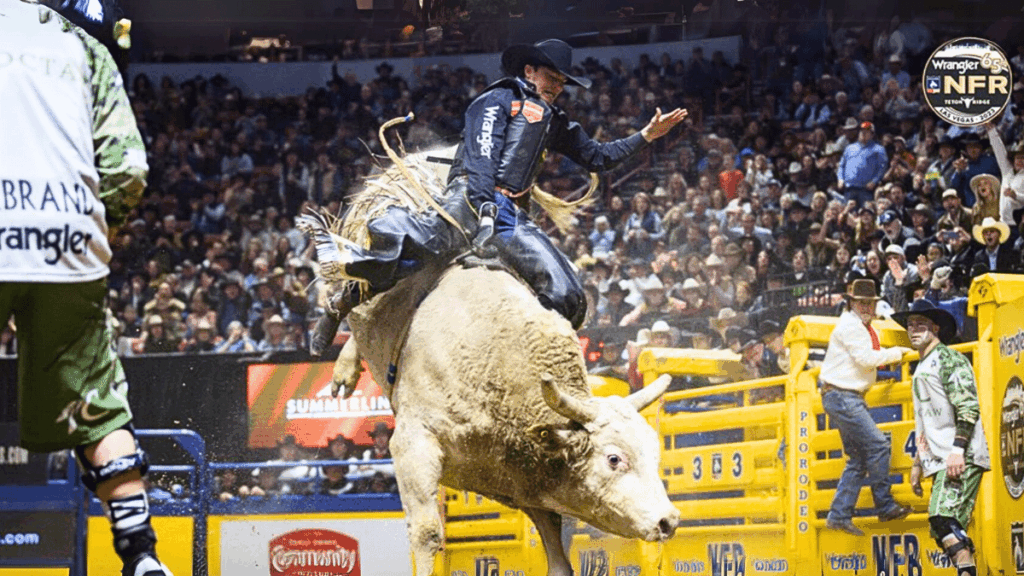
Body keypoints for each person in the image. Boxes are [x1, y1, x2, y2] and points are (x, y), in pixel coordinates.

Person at [305, 39, 687, 354]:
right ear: (529, 72)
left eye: (560, 82)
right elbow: (484, 150)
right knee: (409, 252)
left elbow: (598, 157)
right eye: (550, 78)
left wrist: (646, 136)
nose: (555, 86)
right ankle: (340, 304)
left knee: (569, 296)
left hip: (510, 216)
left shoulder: (555, 121)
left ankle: (514, 353)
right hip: (470, 198)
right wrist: (484, 203)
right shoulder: (498, 99)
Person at [0, 3, 171, 575]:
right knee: (95, 408)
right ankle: (141, 557)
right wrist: (97, 232)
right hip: (69, 237)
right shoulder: (87, 49)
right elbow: (129, 168)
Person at [892, 300, 991, 576]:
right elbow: (926, 421)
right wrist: (917, 463)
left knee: (942, 518)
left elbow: (968, 406)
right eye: (910, 324)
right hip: (944, 457)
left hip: (961, 454)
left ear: (935, 328)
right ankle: (967, 569)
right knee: (942, 525)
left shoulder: (948, 359)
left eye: (920, 324)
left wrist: (958, 450)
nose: (913, 329)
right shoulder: (923, 366)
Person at [820, 279, 913, 536]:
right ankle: (884, 505)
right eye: (863, 303)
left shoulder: (855, 326)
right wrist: (898, 353)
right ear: (852, 303)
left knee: (859, 458)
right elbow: (866, 359)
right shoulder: (852, 327)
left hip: (841, 396)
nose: (867, 308)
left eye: (869, 304)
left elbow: (863, 360)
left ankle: (839, 514)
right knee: (879, 445)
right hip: (844, 397)